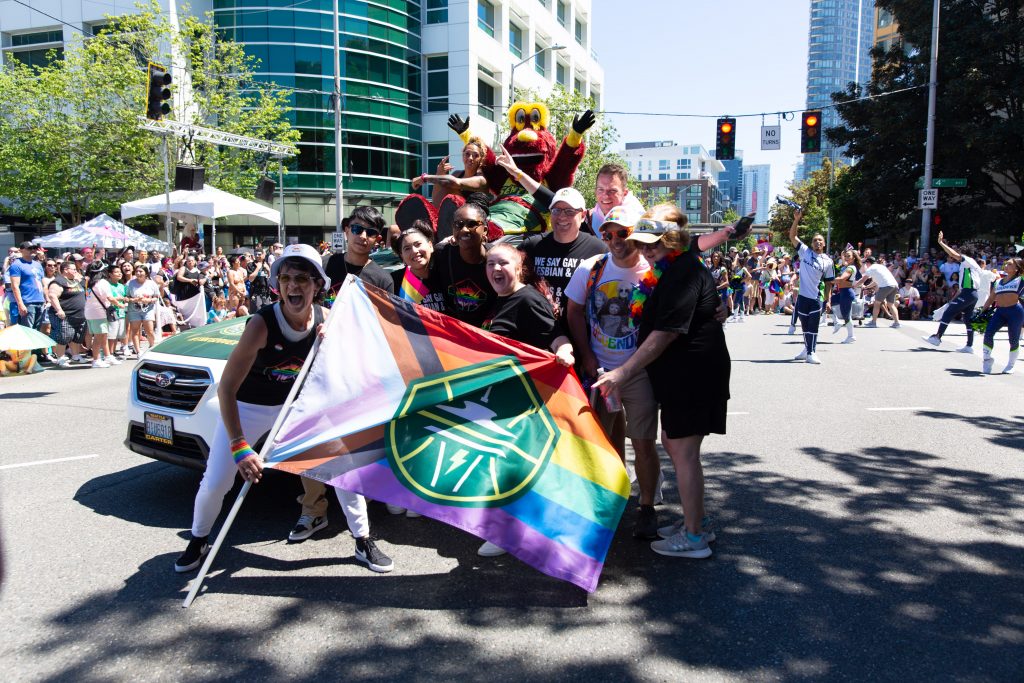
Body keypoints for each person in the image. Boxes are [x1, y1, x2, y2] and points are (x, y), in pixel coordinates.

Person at [175, 243, 394, 574]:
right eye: (287, 278)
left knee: (343, 469)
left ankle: (363, 540)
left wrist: (331, 345)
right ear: (277, 285)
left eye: (303, 278)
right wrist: (239, 446)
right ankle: (198, 539)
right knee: (217, 481)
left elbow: (350, 368)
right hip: (251, 406)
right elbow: (227, 388)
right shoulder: (261, 325)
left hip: (298, 407)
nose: (294, 285)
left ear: (317, 285)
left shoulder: (326, 320)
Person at [593, 204, 730, 559]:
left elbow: (665, 333)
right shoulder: (671, 269)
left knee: (683, 453)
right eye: (643, 243)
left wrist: (622, 372)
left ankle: (696, 537)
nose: (646, 249)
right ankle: (694, 521)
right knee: (675, 445)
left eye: (653, 243)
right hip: (683, 375)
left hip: (694, 374)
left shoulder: (682, 272)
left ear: (672, 240)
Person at [562, 206, 663, 538]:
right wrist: (587, 355)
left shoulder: (653, 271)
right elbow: (573, 311)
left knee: (644, 444)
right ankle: (609, 501)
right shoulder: (591, 268)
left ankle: (646, 508)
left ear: (636, 232)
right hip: (600, 372)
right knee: (601, 443)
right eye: (607, 233)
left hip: (640, 372)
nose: (615, 240)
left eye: (622, 233)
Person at [429, 196, 497, 327]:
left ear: (485, 230)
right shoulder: (442, 253)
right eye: (458, 225)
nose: (464, 229)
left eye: (471, 224)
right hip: (451, 330)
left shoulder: (497, 258)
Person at [922, 232, 984, 353]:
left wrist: (941, 243)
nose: (957, 255)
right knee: (967, 319)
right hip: (971, 294)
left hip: (969, 292)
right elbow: (962, 286)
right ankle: (969, 346)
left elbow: (953, 254)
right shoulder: (970, 265)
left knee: (948, 313)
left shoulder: (968, 261)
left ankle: (937, 337)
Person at [787, 209, 834, 364]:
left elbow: (829, 283)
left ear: (824, 243)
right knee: (805, 327)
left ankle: (811, 353)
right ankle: (807, 350)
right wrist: (796, 219)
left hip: (816, 298)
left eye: (820, 240)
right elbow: (792, 236)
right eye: (815, 240)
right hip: (802, 297)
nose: (818, 242)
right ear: (812, 243)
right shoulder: (805, 252)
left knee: (813, 327)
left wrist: (828, 300)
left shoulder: (828, 261)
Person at [324, 206, 395, 301]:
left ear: (377, 240)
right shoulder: (323, 265)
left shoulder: (383, 280)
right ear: (347, 231)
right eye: (357, 229)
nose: (363, 236)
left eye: (370, 232)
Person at [411, 137, 489, 206]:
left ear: (481, 160)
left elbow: (454, 183)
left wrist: (424, 178)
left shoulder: (481, 180)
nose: (470, 158)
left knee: (446, 183)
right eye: (467, 154)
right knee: (443, 183)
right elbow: (436, 200)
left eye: (476, 155)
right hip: (456, 215)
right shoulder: (457, 174)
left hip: (473, 218)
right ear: (463, 156)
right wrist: (439, 173)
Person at [979, 257, 1023, 374]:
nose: (1006, 265)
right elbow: (991, 298)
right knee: (988, 333)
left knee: (1013, 339)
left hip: (1015, 311)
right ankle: (987, 360)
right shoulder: (999, 281)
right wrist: (982, 311)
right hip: (1000, 312)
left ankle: (1011, 365)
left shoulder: (1020, 280)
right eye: (1006, 263)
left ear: (1016, 268)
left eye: (1009, 264)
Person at [391, 220, 445, 311]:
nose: (414, 251)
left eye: (418, 244)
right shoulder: (393, 281)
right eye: (407, 248)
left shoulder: (445, 274)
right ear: (402, 256)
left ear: (430, 246)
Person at [46, 260, 87, 366]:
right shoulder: (59, 281)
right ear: (65, 270)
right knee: (64, 336)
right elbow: (52, 295)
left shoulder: (75, 281)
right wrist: (59, 310)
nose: (75, 271)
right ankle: (60, 358)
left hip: (79, 315)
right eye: (73, 269)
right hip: (65, 315)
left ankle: (75, 356)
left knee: (76, 336)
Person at [590, 164, 645, 235]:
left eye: (612, 191)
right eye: (601, 189)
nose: (606, 196)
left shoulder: (639, 223)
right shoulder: (587, 219)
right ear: (595, 191)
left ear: (625, 193)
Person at [8, 241, 46, 332]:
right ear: (21, 250)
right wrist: (20, 304)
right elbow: (15, 286)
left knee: (38, 332)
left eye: (34, 248)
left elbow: (43, 283)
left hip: (40, 301)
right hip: (27, 302)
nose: (32, 250)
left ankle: (36, 347)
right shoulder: (16, 265)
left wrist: (46, 299)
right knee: (28, 332)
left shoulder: (37, 264)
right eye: (29, 248)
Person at [126, 265, 160, 357]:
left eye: (141, 271)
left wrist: (149, 300)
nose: (138, 273)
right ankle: (138, 351)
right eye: (137, 271)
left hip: (148, 309)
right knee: (135, 331)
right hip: (134, 309)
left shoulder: (151, 283)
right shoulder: (130, 283)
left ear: (146, 273)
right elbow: (127, 296)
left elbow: (156, 297)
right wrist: (133, 300)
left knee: (150, 331)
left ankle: (152, 347)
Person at [857, 257, 900, 329]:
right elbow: (875, 282)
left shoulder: (871, 268)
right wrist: (867, 287)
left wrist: (854, 285)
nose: (865, 265)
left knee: (877, 303)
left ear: (868, 263)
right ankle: (897, 323)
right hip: (894, 285)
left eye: (865, 263)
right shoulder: (881, 267)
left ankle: (873, 322)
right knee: (891, 304)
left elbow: (862, 280)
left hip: (886, 286)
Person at [831, 249, 861, 344]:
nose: (846, 257)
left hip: (847, 293)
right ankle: (836, 322)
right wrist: (842, 255)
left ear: (853, 258)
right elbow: (843, 263)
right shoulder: (848, 266)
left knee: (846, 315)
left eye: (849, 256)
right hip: (843, 293)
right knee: (826, 303)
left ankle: (851, 335)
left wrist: (828, 280)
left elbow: (842, 279)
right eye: (846, 256)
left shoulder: (851, 268)